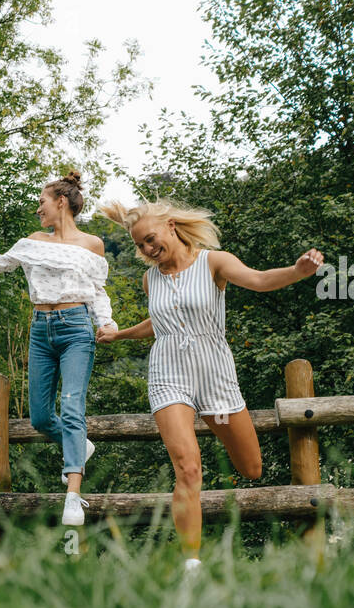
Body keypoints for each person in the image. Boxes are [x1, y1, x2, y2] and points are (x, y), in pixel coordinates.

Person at [98, 196, 323, 570]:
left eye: (151, 239)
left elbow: (258, 279)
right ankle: (192, 568)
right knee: (187, 467)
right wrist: (120, 335)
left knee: (251, 468)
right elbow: (161, 323)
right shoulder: (149, 278)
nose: (147, 250)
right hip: (169, 373)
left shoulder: (213, 262)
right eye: (140, 245)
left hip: (214, 374)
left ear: (171, 226)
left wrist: (298, 271)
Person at [0, 171, 118, 526]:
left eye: (42, 201)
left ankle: (73, 495)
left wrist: (106, 321)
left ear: (61, 202)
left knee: (73, 407)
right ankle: (78, 445)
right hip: (40, 330)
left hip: (76, 328)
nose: (37, 208)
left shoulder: (93, 244)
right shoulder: (33, 241)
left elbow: (97, 290)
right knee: (41, 417)